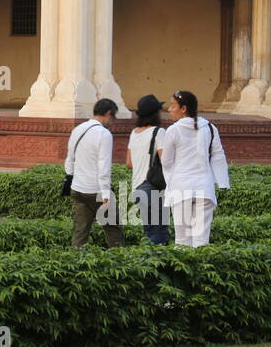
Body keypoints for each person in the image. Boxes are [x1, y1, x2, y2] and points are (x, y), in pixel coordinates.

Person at [157, 90, 230, 248]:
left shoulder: (173, 130)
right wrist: (223, 183)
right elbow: (218, 156)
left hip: (181, 188)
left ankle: (183, 272)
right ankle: (201, 271)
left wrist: (172, 182)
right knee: (201, 240)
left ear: (183, 109)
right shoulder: (210, 128)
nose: (169, 109)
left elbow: (167, 162)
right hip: (205, 188)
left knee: (182, 240)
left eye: (172, 106)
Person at [66, 99, 125, 248]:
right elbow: (103, 166)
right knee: (114, 230)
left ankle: (75, 262)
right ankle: (120, 263)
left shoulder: (78, 129)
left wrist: (72, 181)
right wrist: (106, 194)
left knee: (80, 231)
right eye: (113, 117)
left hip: (78, 189)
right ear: (108, 113)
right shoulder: (104, 134)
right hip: (96, 191)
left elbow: (69, 160)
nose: (113, 122)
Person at [126, 94, 170, 245]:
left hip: (137, 188)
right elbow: (166, 161)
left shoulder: (134, 132)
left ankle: (147, 263)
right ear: (155, 113)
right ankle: (158, 266)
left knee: (149, 231)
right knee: (159, 233)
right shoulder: (159, 132)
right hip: (153, 187)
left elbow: (129, 163)